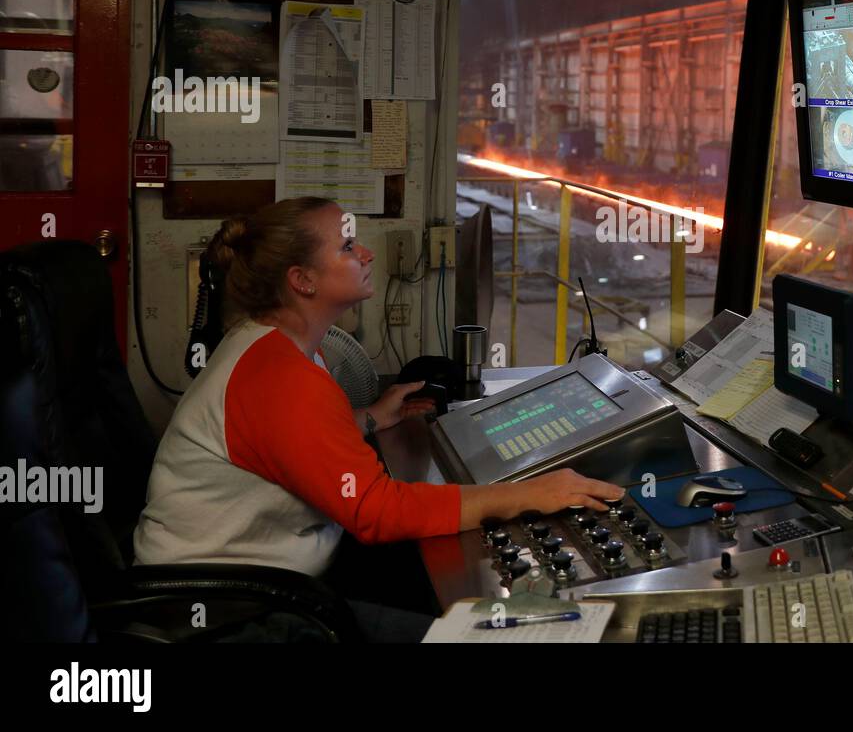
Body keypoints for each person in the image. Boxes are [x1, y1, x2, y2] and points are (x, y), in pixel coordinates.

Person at [133, 196, 623, 640]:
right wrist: (527, 494)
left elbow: (293, 446)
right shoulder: (281, 375)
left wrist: (368, 418)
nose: (366, 254)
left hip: (265, 582)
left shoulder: (279, 347)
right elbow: (374, 512)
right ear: (302, 280)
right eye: (348, 247)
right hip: (232, 613)